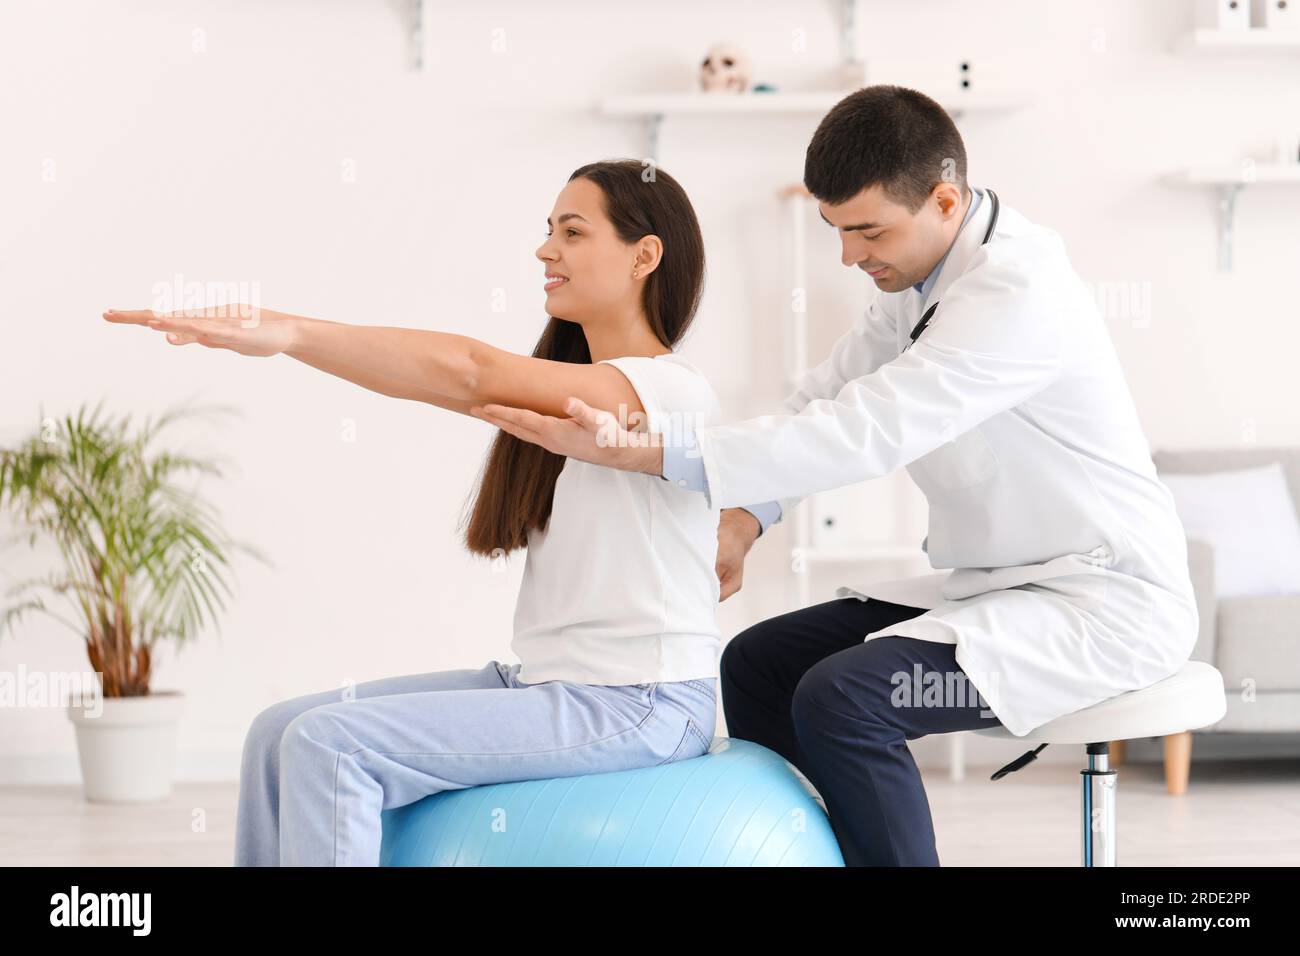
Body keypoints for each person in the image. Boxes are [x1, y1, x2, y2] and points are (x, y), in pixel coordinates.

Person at [474, 86, 1200, 867]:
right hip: (1002, 590)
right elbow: (825, 395)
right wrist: (746, 517)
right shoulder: (915, 284)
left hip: (1102, 610)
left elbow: (871, 429)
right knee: (757, 666)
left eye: (866, 230)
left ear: (945, 200)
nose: (850, 255)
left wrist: (654, 451)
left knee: (846, 701)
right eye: (835, 231)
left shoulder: (1018, 292)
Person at [102, 159, 724, 866]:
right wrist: (283, 343)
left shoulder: (673, 393)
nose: (545, 250)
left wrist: (290, 331)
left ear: (645, 255)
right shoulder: (569, 388)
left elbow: (467, 369)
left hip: (641, 702)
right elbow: (437, 379)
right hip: (552, 681)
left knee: (329, 746)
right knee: (278, 730)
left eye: (572, 232)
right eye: (548, 231)